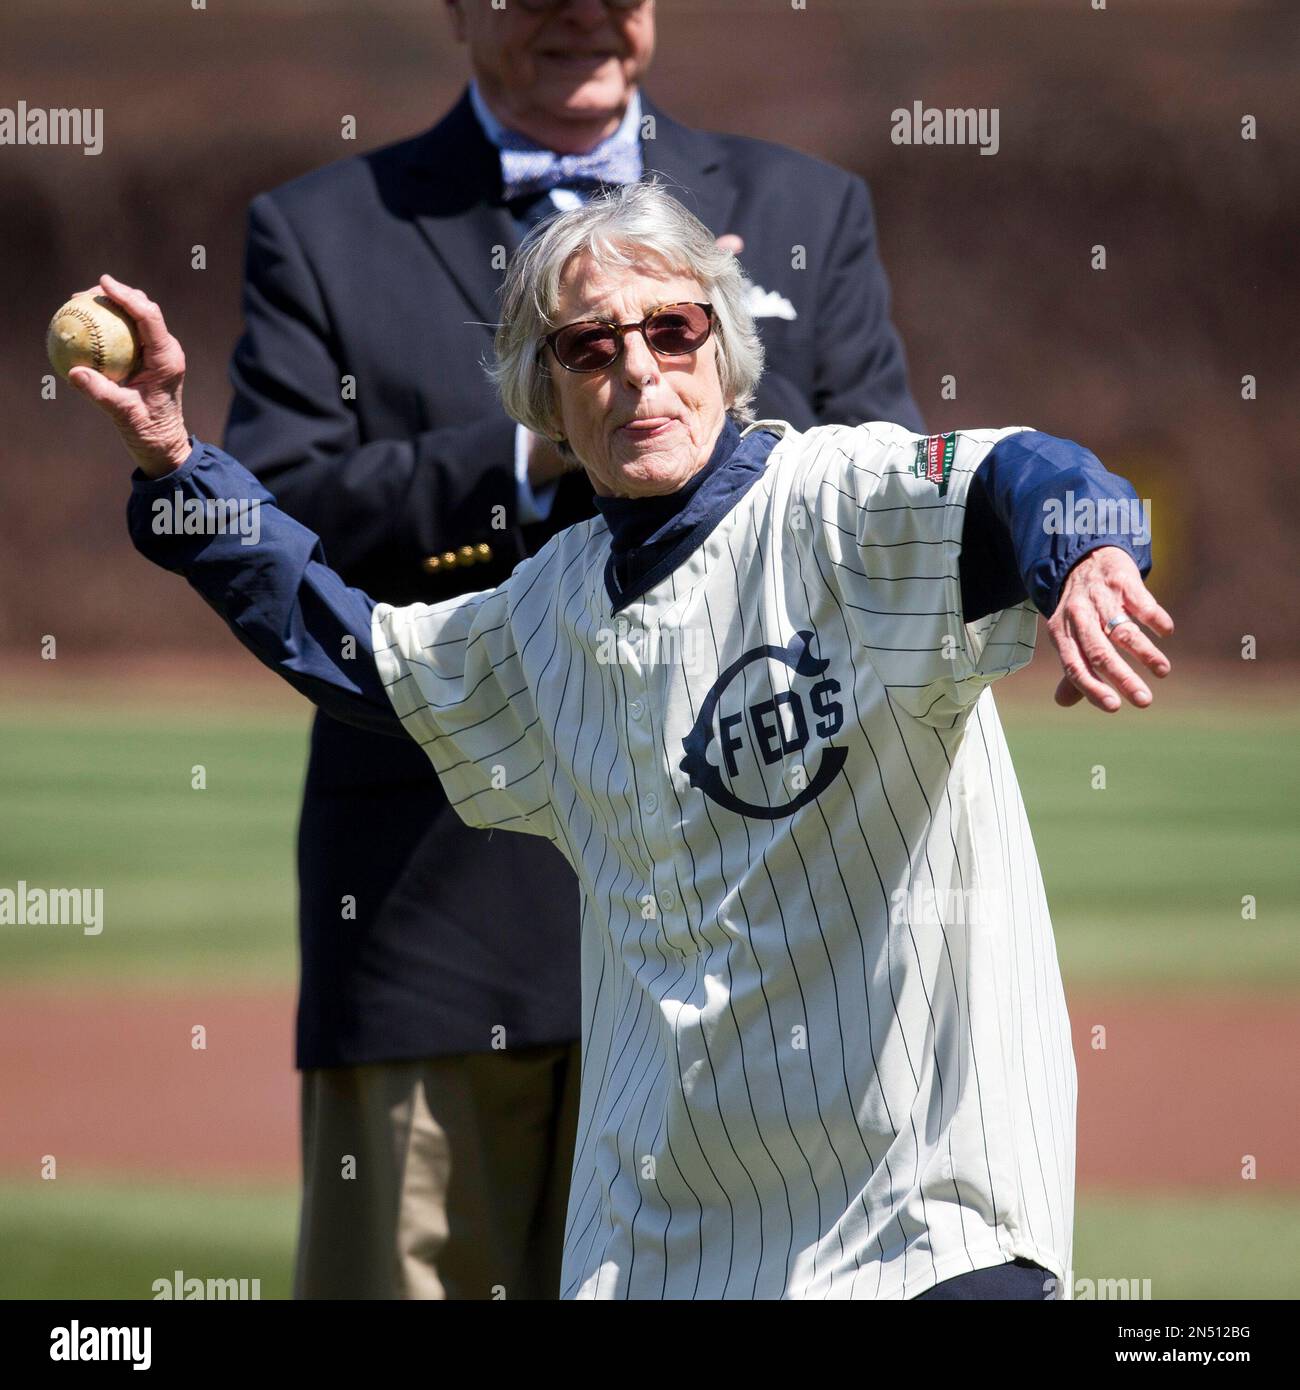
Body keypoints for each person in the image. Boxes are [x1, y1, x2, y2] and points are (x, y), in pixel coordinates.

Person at [70, 182, 1173, 1299]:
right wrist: (178, 467)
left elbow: (1018, 474)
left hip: (929, 1225)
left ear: (724, 351)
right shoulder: (542, 614)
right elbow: (354, 653)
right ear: (544, 394)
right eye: (589, 346)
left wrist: (1084, 552)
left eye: (672, 329)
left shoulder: (839, 504)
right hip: (663, 1247)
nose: (638, 369)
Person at [223, 0, 920, 1298]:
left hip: (747, 955)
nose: (582, 13)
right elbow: (276, 519)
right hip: (439, 928)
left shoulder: (808, 204)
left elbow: (882, 501)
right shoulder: (322, 230)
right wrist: (537, 445)